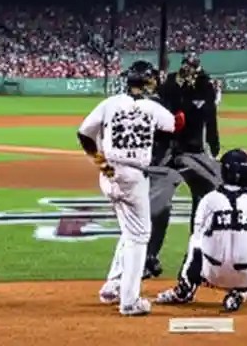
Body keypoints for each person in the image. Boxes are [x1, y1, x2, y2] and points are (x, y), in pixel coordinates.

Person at [76, 60, 184, 317]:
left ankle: (113, 285)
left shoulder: (109, 103)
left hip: (109, 174)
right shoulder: (152, 107)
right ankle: (129, 300)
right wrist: (175, 95)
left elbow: (83, 134)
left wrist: (102, 164)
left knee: (130, 230)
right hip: (133, 177)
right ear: (147, 83)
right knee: (140, 237)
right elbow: (177, 124)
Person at [155, 149, 247, 313]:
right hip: (246, 277)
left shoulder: (209, 199)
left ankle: (184, 289)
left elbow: (197, 239)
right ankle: (241, 294)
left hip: (210, 275)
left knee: (197, 241)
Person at [144, 53, 222, 280]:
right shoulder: (170, 83)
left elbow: (211, 117)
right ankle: (149, 257)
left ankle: (197, 259)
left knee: (204, 205)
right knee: (158, 207)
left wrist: (213, 145)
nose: (190, 70)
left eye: (194, 67)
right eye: (188, 66)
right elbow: (160, 114)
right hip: (168, 152)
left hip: (195, 152)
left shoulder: (205, 86)